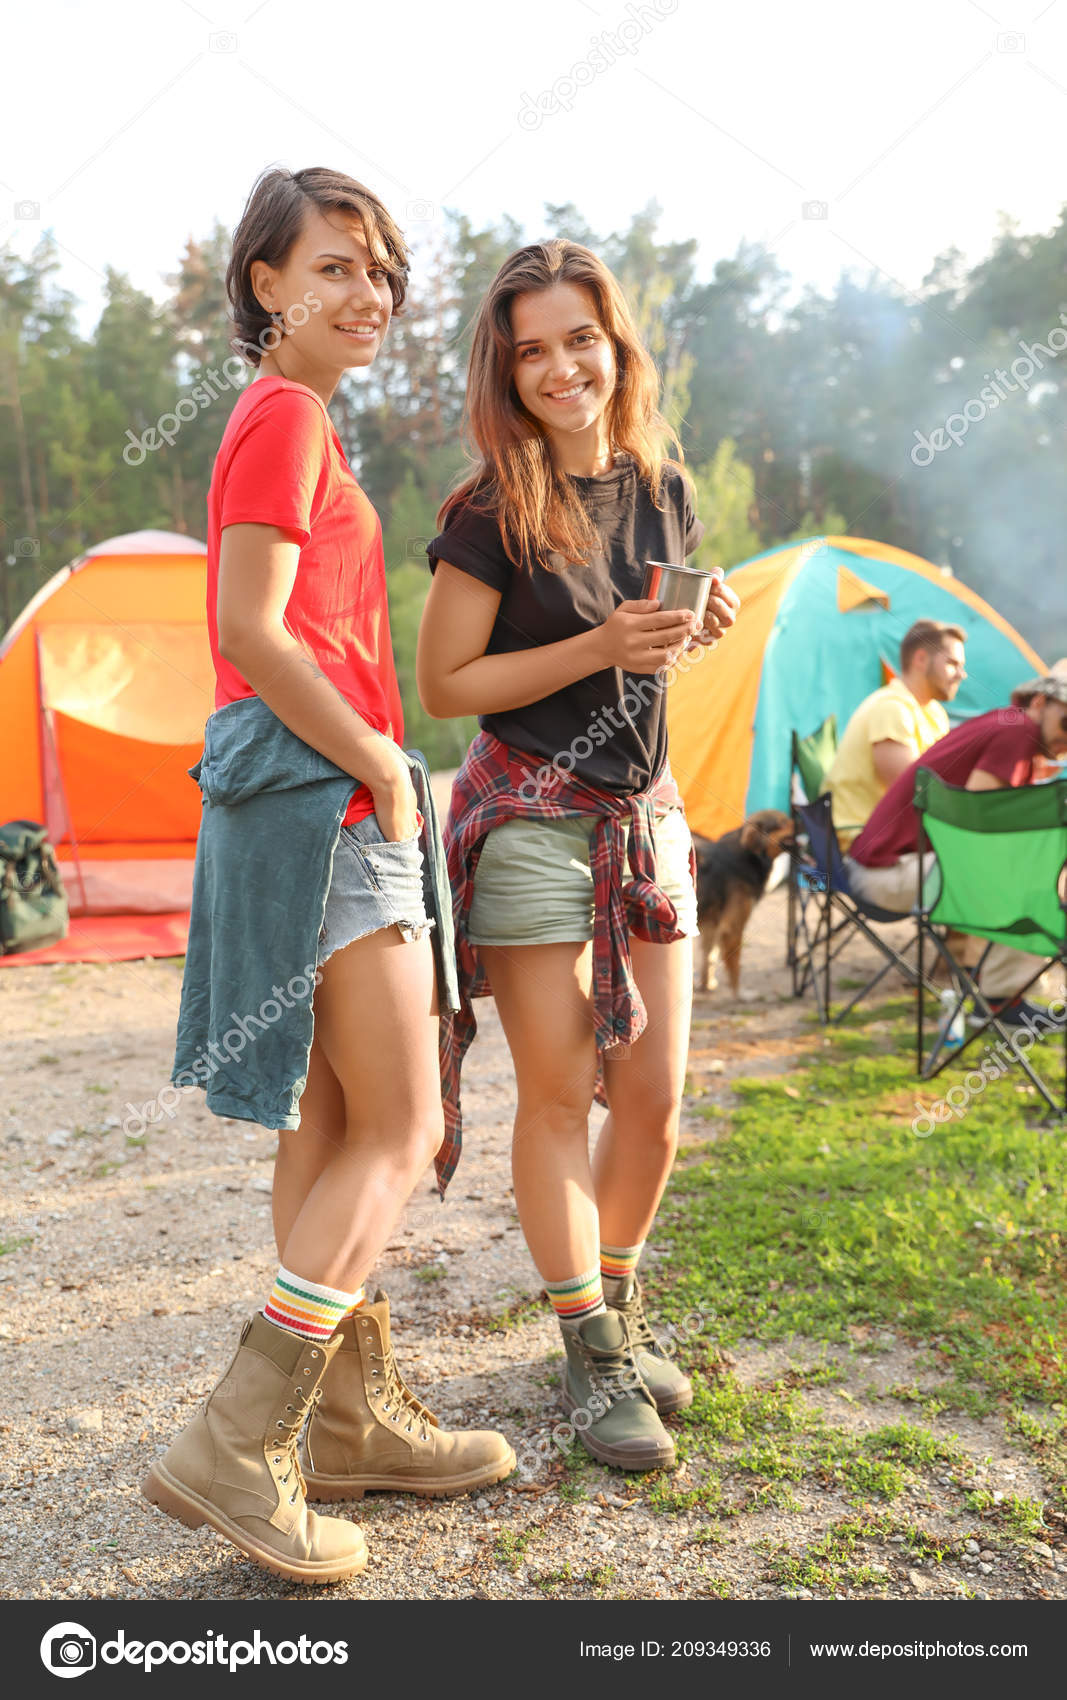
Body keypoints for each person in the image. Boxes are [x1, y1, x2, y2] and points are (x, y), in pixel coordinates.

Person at [141, 167, 513, 1586]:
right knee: (406, 1126)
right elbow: (250, 623)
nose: (368, 295)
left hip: (301, 789)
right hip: (323, 792)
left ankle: (343, 1415)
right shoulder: (284, 416)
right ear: (265, 287)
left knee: (340, 1105)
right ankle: (238, 1441)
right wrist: (380, 759)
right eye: (335, 268)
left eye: (382, 272)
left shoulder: (296, 423)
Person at [416, 240, 739, 1472]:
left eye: (577, 339)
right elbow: (446, 682)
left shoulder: (661, 481)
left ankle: (613, 1297)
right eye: (530, 349)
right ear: (505, 369)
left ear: (616, 342)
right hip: (532, 823)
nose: (559, 368)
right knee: (556, 1097)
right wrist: (599, 642)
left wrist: (686, 627)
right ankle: (589, 1352)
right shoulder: (488, 508)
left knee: (651, 1103)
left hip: (646, 816)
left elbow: (651, 652)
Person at [845, 673, 1067, 1024]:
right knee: (1032, 880)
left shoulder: (1005, 723)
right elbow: (976, 824)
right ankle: (999, 1001)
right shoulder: (1019, 731)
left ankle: (981, 983)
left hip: (882, 867)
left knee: (1020, 871)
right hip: (886, 874)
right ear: (1039, 703)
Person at [823, 619, 967, 848]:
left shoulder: (935, 713)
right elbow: (913, 793)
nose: (962, 674)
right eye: (952, 663)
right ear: (921, 659)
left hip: (897, 841)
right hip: (862, 846)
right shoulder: (892, 708)